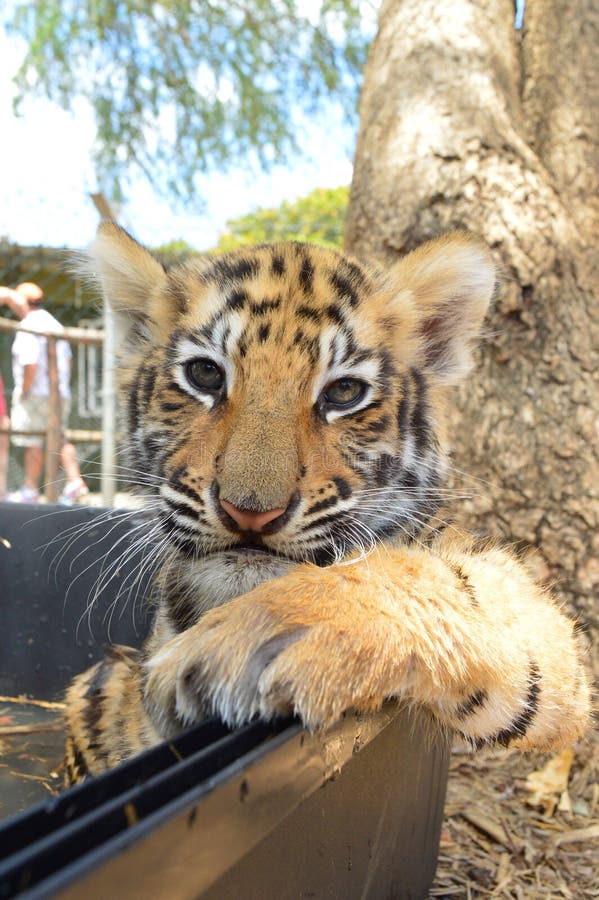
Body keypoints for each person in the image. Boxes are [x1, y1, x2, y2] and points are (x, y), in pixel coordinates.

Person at [0, 282, 88, 504]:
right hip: (59, 393)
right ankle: (74, 481)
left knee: (33, 442)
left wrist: (25, 391)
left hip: (37, 393)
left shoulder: (29, 324)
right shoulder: (54, 323)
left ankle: (30, 489)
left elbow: (30, 364)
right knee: (58, 437)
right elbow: (68, 360)